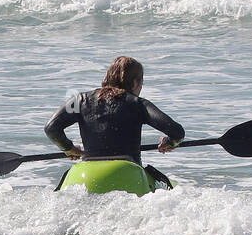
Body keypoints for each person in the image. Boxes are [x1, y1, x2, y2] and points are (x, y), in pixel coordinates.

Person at [44, 56, 184, 185]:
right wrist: (169, 142)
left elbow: (51, 128)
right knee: (173, 189)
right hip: (128, 173)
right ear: (135, 83)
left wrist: (68, 148)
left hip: (86, 175)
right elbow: (177, 132)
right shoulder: (138, 104)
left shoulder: (80, 100)